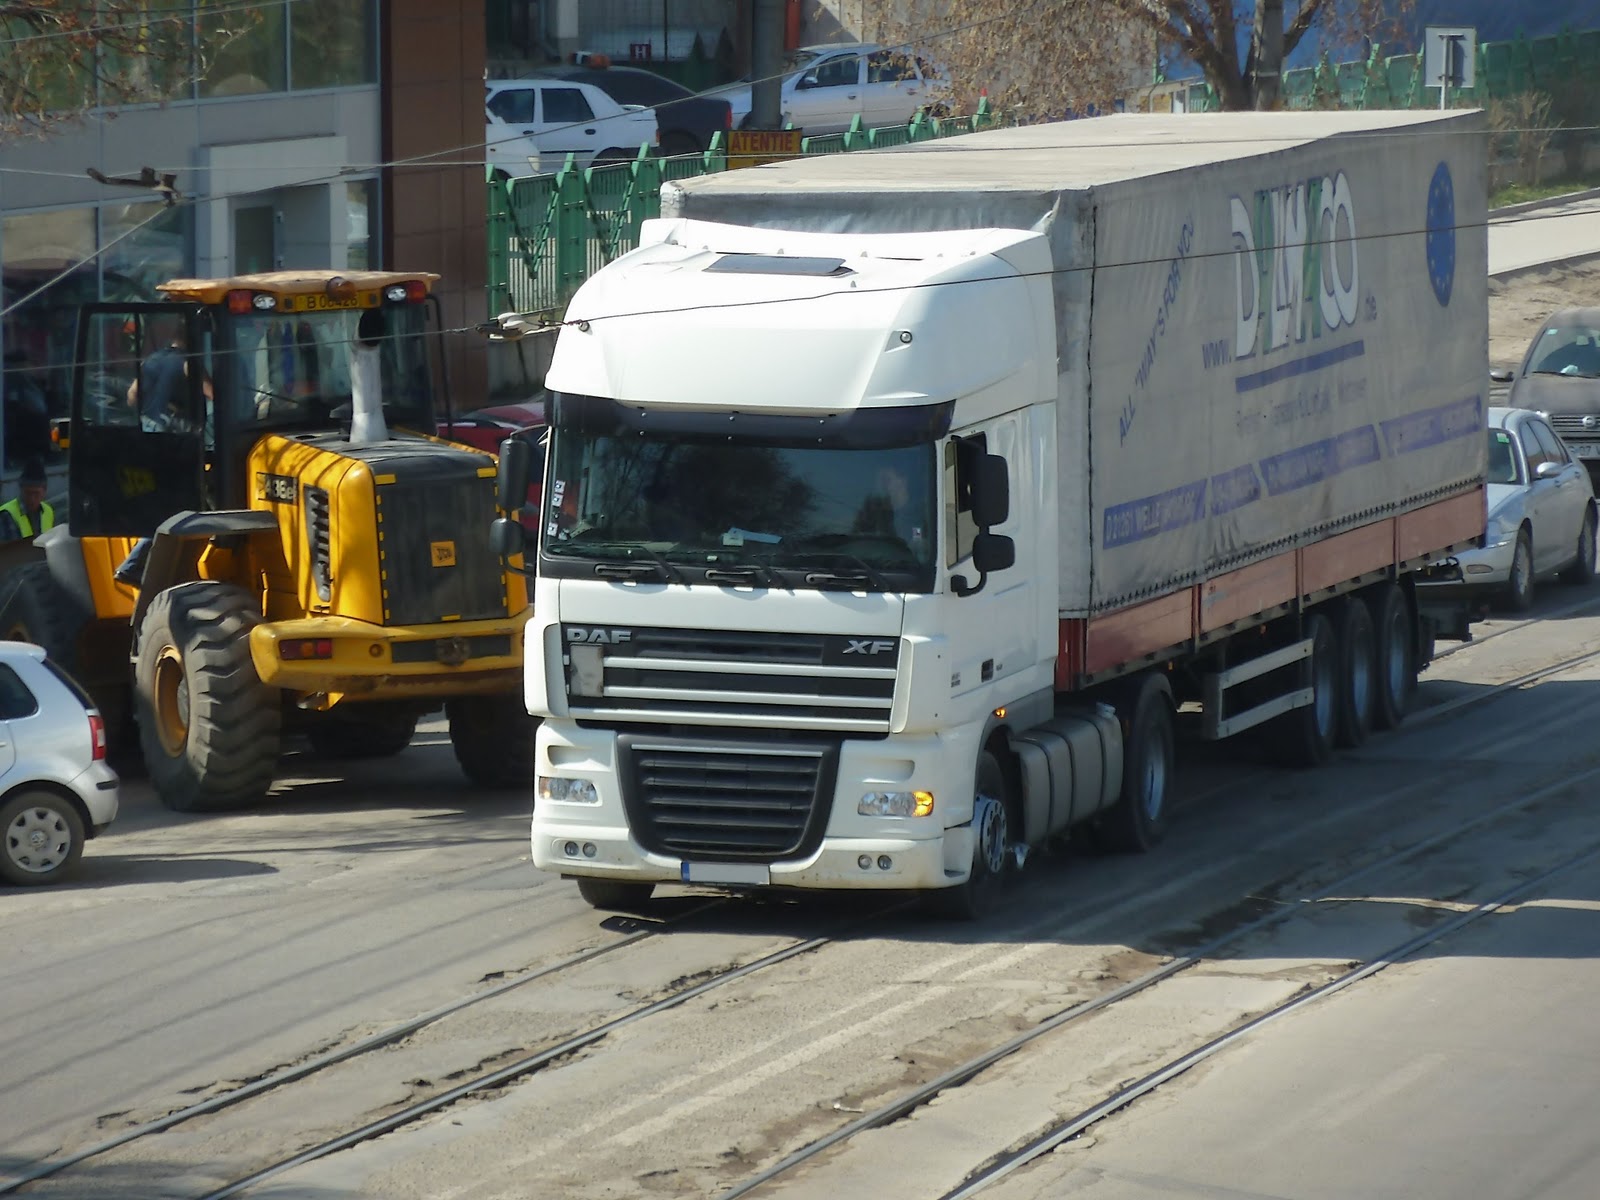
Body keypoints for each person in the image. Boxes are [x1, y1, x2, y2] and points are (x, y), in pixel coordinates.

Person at [0, 458, 55, 543]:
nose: (32, 498)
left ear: (44, 491)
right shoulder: (6, 514)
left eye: (36, 494)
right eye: (28, 493)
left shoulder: (48, 511)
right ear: (21, 489)